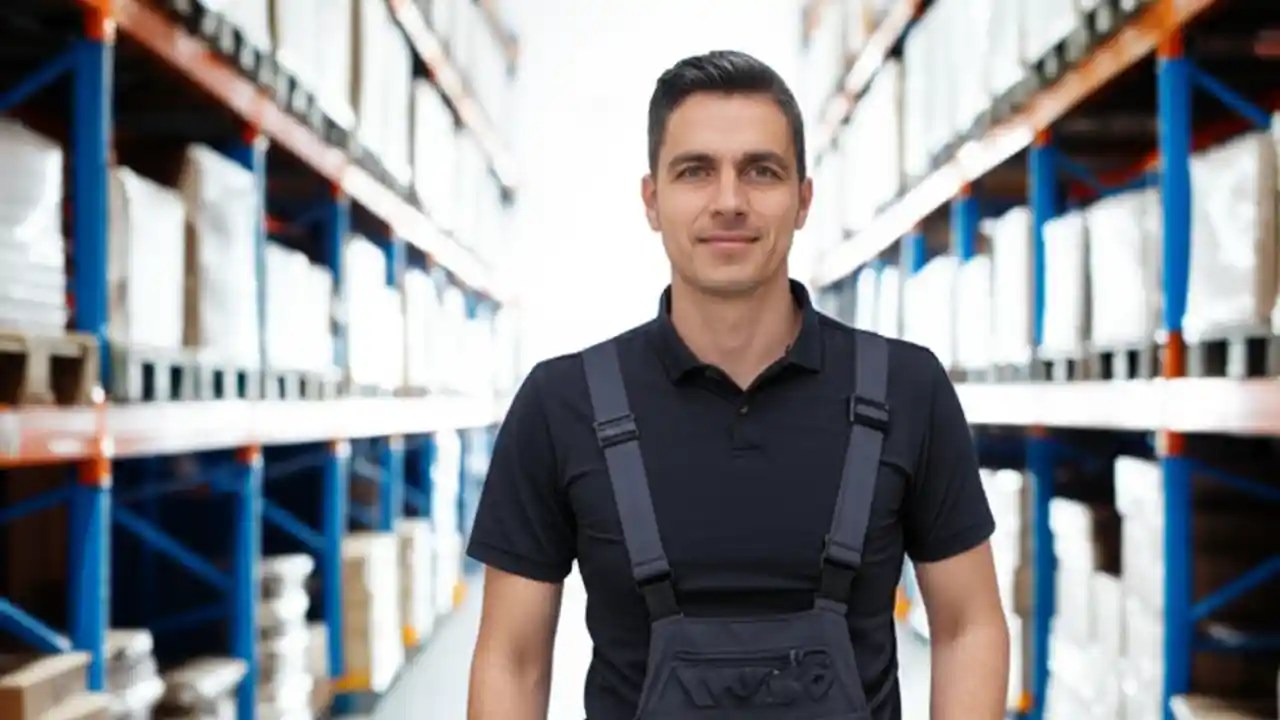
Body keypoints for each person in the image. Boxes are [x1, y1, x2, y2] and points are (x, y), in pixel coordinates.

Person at [465, 49, 1009, 720]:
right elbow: (510, 661)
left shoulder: (906, 389)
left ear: (804, 199)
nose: (729, 201)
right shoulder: (561, 404)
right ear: (652, 200)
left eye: (762, 171)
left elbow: (968, 626)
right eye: (696, 172)